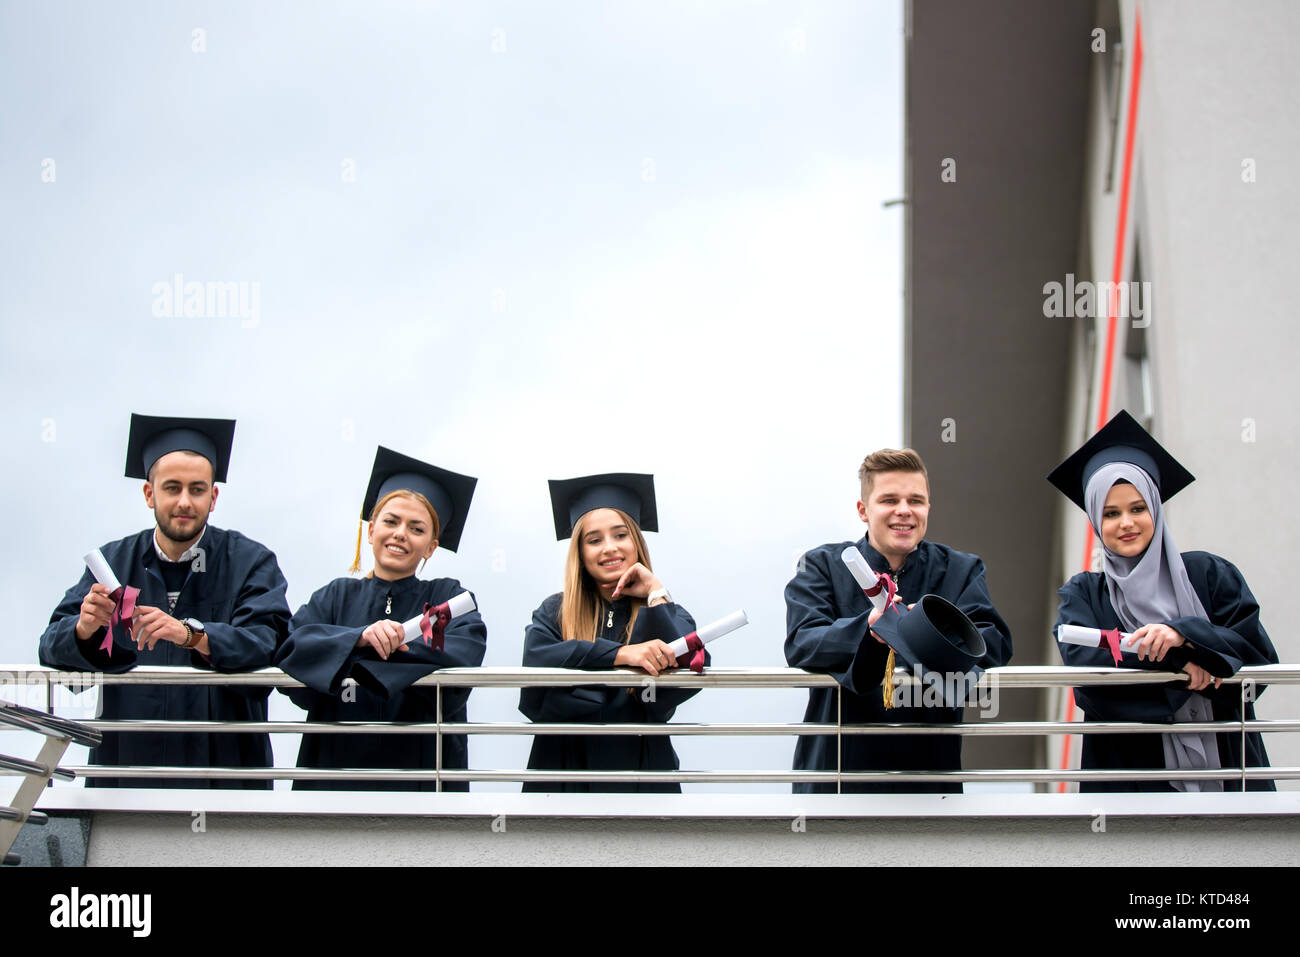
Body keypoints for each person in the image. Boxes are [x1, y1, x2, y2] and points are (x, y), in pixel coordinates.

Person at [39, 414, 291, 788]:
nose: (185, 502)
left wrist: (192, 635)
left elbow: (269, 643)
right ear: (149, 494)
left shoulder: (251, 562)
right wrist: (84, 629)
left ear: (214, 496)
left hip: (227, 780)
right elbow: (49, 648)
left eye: (197, 489)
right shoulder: (112, 563)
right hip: (126, 774)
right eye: (172, 488)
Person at [1048, 410, 1277, 792]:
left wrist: (1183, 634)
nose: (1126, 523)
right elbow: (1088, 669)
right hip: (1133, 779)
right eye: (1110, 513)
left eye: (1138, 508)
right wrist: (1184, 664)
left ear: (1155, 507)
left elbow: (1255, 655)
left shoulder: (1208, 573)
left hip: (1231, 770)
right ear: (1094, 521)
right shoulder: (1085, 593)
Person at [785, 448, 1012, 793]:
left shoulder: (962, 569)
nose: (904, 510)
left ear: (928, 509)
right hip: (837, 774)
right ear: (863, 510)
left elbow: (992, 643)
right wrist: (869, 629)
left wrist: (923, 631)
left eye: (916, 501)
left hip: (929, 775)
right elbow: (803, 643)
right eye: (889, 500)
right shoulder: (822, 565)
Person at [274, 447, 487, 791]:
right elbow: (290, 651)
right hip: (332, 774)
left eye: (416, 528)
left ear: (431, 547)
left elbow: (463, 658)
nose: (401, 533)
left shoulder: (451, 598)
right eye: (390, 522)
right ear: (371, 530)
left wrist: (357, 656)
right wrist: (359, 638)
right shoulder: (334, 596)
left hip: (421, 777)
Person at [519, 473, 704, 793]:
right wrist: (622, 655)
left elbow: (683, 679)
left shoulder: (670, 611)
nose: (609, 548)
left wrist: (655, 595)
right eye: (594, 540)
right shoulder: (555, 611)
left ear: (637, 542)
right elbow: (536, 660)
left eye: (620, 535)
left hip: (643, 775)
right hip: (562, 774)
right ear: (580, 552)